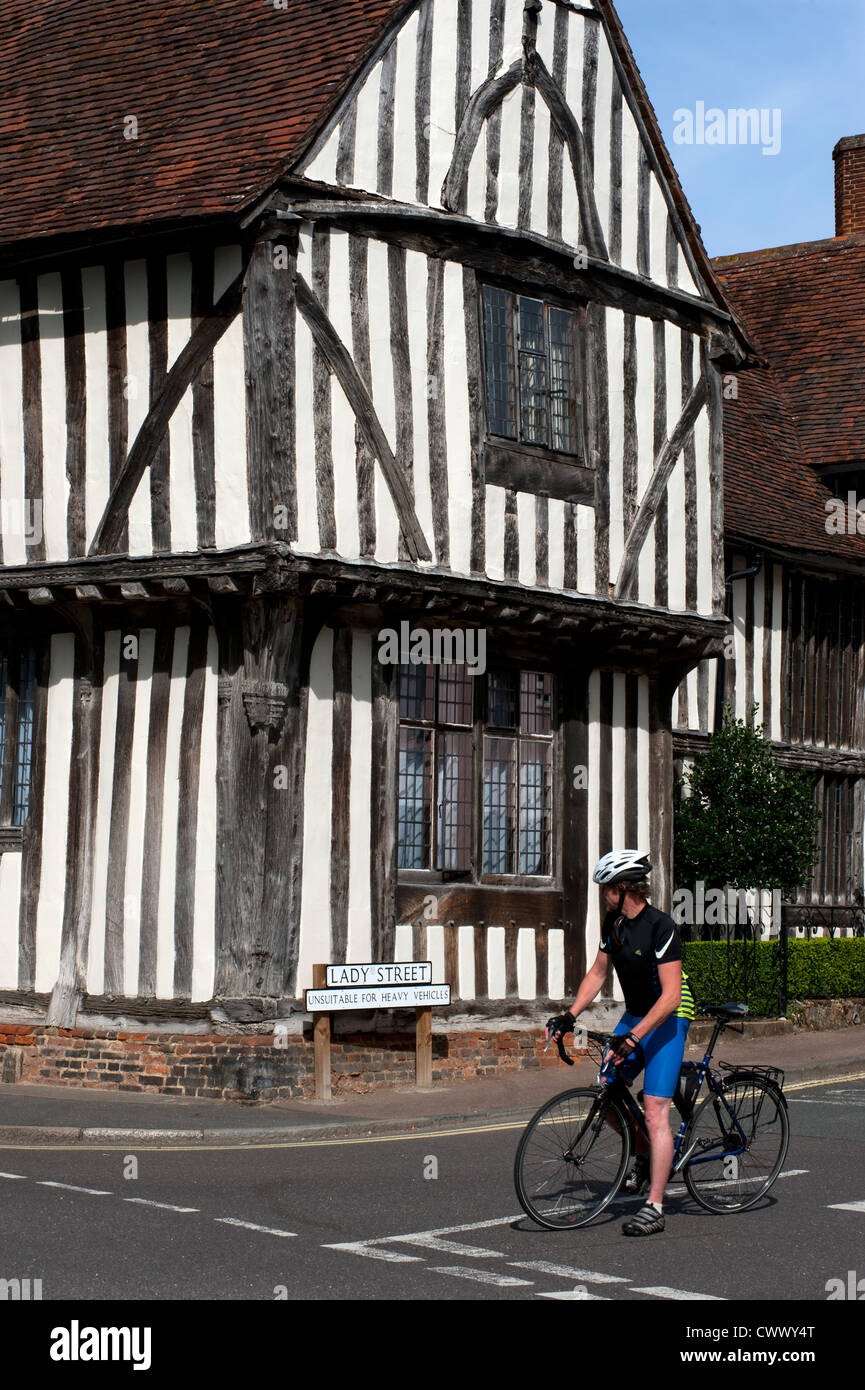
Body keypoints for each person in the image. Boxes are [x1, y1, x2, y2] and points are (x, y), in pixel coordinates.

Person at [546, 850, 695, 1236]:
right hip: (637, 1013)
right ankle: (645, 1155)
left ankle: (655, 1205)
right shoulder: (614, 924)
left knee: (655, 1110)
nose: (603, 894)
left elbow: (671, 997)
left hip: (669, 1016)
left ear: (624, 887)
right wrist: (570, 1014)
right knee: (607, 1088)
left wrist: (633, 1036)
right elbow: (598, 972)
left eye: (607, 888)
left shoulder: (661, 927)